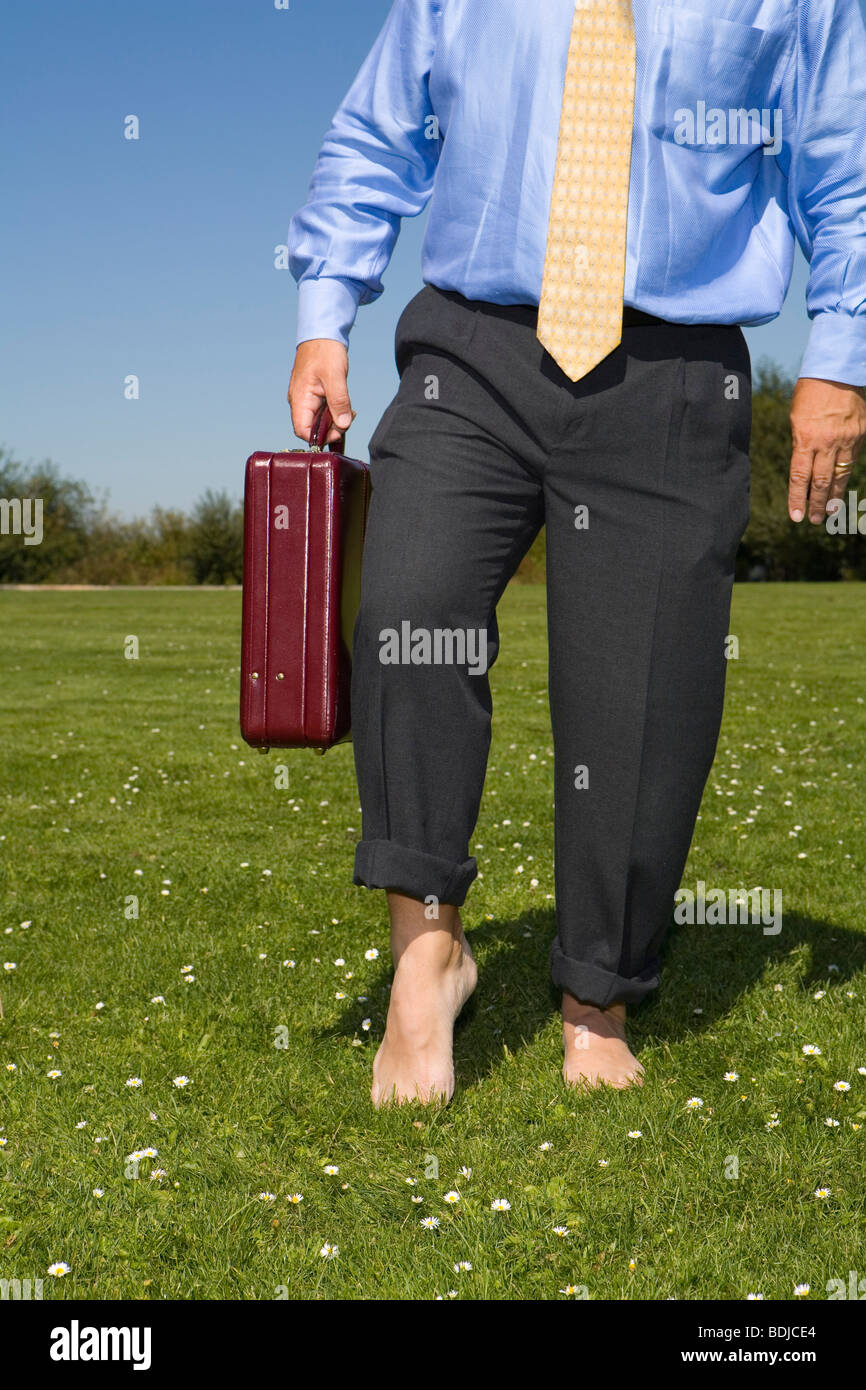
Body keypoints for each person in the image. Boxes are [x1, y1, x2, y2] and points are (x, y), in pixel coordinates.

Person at [286, 0, 866, 1105]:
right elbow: (374, 132)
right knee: (408, 610)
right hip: (471, 345)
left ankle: (595, 997)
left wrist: (836, 360)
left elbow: (840, 167)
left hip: (673, 366)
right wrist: (325, 308)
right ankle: (427, 956)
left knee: (640, 697)